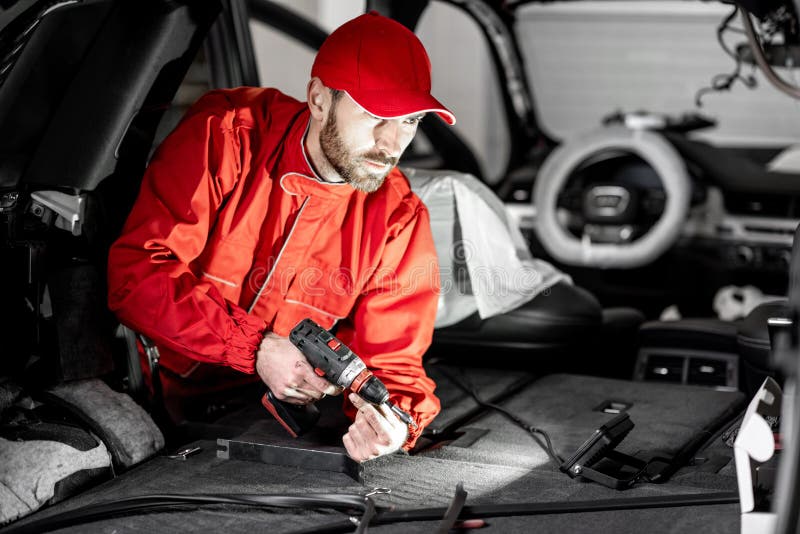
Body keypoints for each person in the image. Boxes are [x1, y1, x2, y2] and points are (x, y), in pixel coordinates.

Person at [107, 11, 456, 462]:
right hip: (146, 392)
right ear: (318, 100)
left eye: (410, 121)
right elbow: (138, 273)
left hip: (263, 418)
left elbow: (396, 363)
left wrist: (394, 426)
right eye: (375, 114)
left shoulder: (397, 217)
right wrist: (255, 348)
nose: (392, 144)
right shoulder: (229, 135)